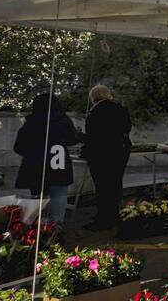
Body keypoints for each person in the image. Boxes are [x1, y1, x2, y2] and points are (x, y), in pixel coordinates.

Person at [13, 93, 81, 223]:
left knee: (38, 195)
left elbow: (19, 146)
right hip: (58, 160)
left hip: (36, 162)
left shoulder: (31, 122)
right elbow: (72, 139)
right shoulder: (64, 119)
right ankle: (57, 225)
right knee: (59, 193)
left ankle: (36, 227)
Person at [82, 85, 132, 232]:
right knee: (115, 183)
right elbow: (126, 128)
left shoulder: (95, 112)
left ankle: (103, 219)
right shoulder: (120, 109)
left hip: (102, 154)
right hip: (121, 151)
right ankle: (114, 215)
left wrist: (80, 137)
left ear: (93, 97)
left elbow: (94, 136)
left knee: (102, 186)